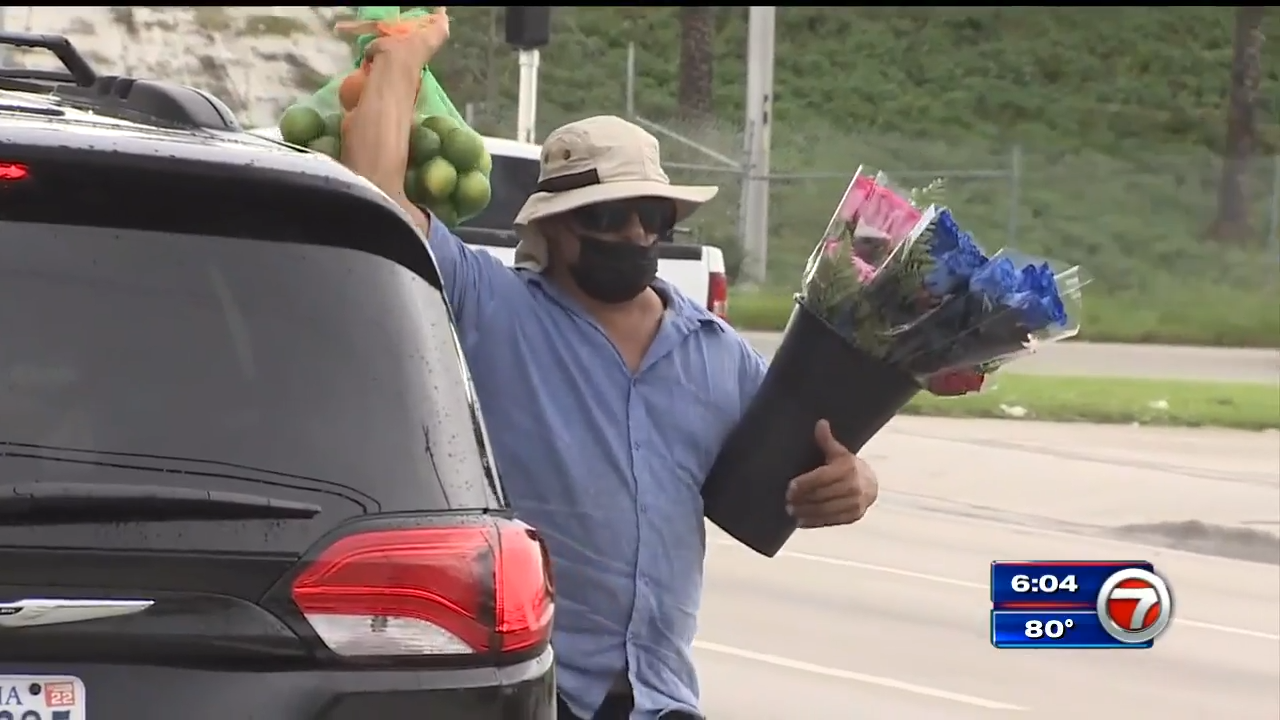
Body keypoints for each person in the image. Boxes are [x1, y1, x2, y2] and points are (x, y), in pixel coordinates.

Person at [341, 10, 880, 720]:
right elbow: (376, 208)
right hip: (533, 691)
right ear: (553, 229)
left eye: (653, 216)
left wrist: (855, 482)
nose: (635, 233)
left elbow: (817, 456)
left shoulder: (719, 357)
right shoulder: (494, 309)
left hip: (662, 699)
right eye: (610, 215)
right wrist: (401, 61)